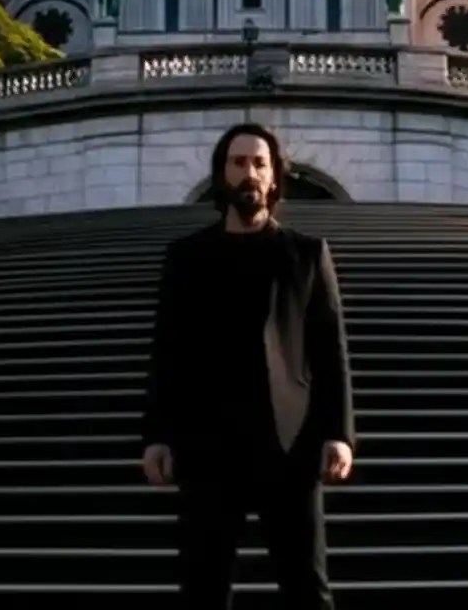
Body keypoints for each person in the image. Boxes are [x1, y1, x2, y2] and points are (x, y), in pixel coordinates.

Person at [140, 123, 356, 609]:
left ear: (275, 177)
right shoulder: (186, 257)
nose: (249, 173)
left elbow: (330, 351)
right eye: (238, 163)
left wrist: (339, 433)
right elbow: (167, 352)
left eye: (260, 163)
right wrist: (157, 435)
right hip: (209, 446)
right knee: (203, 590)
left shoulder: (307, 254)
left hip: (290, 444)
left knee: (308, 589)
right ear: (222, 174)